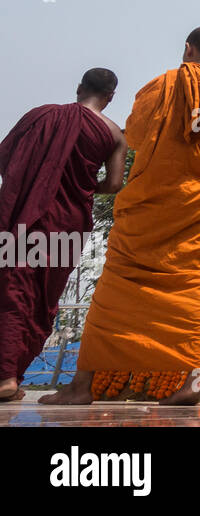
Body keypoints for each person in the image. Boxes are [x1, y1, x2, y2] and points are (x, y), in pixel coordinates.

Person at [40, 28, 200, 406]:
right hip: (198, 206)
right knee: (193, 286)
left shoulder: (160, 87)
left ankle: (81, 385)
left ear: (187, 49)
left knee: (113, 289)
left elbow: (136, 138)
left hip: (148, 209)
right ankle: (197, 379)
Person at [0, 69, 127, 402]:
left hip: (24, 220)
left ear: (79, 88)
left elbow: (6, 159)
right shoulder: (113, 133)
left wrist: (37, 182)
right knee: (43, 299)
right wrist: (80, 187)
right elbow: (113, 185)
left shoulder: (40, 116)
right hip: (68, 224)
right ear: (111, 97)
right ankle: (12, 375)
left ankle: (5, 377)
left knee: (14, 290)